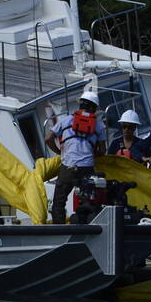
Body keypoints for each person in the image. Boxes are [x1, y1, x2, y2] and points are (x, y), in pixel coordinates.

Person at [45, 90, 106, 225]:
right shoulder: (99, 126)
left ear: (80, 105)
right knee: (88, 200)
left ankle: (60, 232)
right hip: (87, 168)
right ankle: (87, 228)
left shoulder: (66, 120)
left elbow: (48, 138)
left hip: (69, 167)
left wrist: (59, 152)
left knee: (59, 201)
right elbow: (103, 150)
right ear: (94, 108)